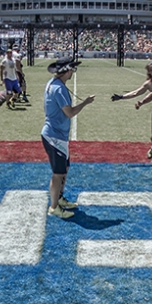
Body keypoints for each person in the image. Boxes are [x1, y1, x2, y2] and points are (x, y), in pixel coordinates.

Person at [42, 58, 94, 218]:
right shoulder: (59, 89)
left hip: (57, 135)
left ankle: (59, 198)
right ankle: (54, 206)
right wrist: (85, 103)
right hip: (54, 136)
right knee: (58, 173)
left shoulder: (53, 83)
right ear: (67, 70)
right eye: (72, 69)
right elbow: (70, 113)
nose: (73, 72)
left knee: (64, 169)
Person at [113, 62, 152, 163]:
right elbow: (136, 92)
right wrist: (122, 97)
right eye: (151, 70)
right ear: (149, 72)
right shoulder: (149, 83)